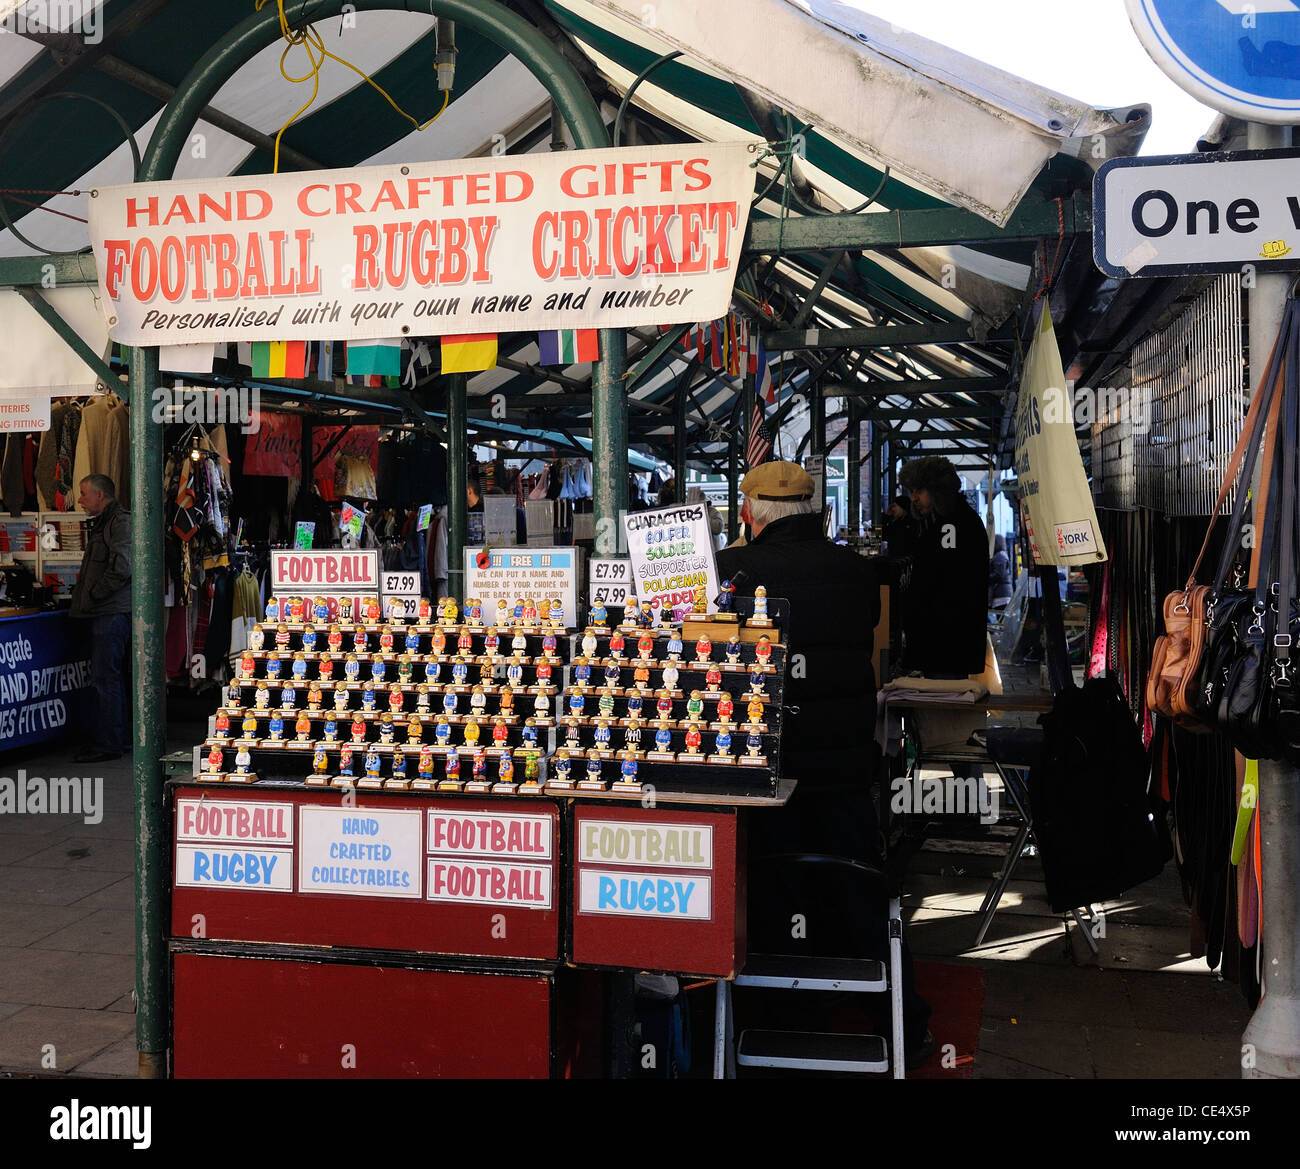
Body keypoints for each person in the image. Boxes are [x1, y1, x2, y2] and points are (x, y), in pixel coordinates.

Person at [716, 460, 932, 1067]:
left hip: (767, 767)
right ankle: (903, 1020)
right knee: (858, 889)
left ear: (750, 515)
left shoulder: (737, 570)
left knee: (767, 887)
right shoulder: (856, 573)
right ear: (814, 510)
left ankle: (777, 1012)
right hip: (841, 768)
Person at [896, 456, 989, 678]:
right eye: (912, 491)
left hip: (945, 644)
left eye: (920, 490)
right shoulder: (944, 522)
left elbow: (943, 583)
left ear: (938, 491)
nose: (914, 498)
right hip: (944, 644)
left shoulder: (953, 525)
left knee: (944, 702)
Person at [69, 474, 131, 762]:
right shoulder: (107, 523)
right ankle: (117, 738)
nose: (80, 500)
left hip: (111, 613)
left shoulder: (119, 522)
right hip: (106, 611)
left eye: (84, 494)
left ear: (101, 496)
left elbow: (122, 567)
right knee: (112, 678)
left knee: (106, 679)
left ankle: (109, 743)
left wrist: (94, 594)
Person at [988, 534, 1013, 609]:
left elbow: (998, 574)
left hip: (1001, 595)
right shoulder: (1000, 555)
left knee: (1000, 617)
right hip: (1002, 593)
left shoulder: (999, 556)